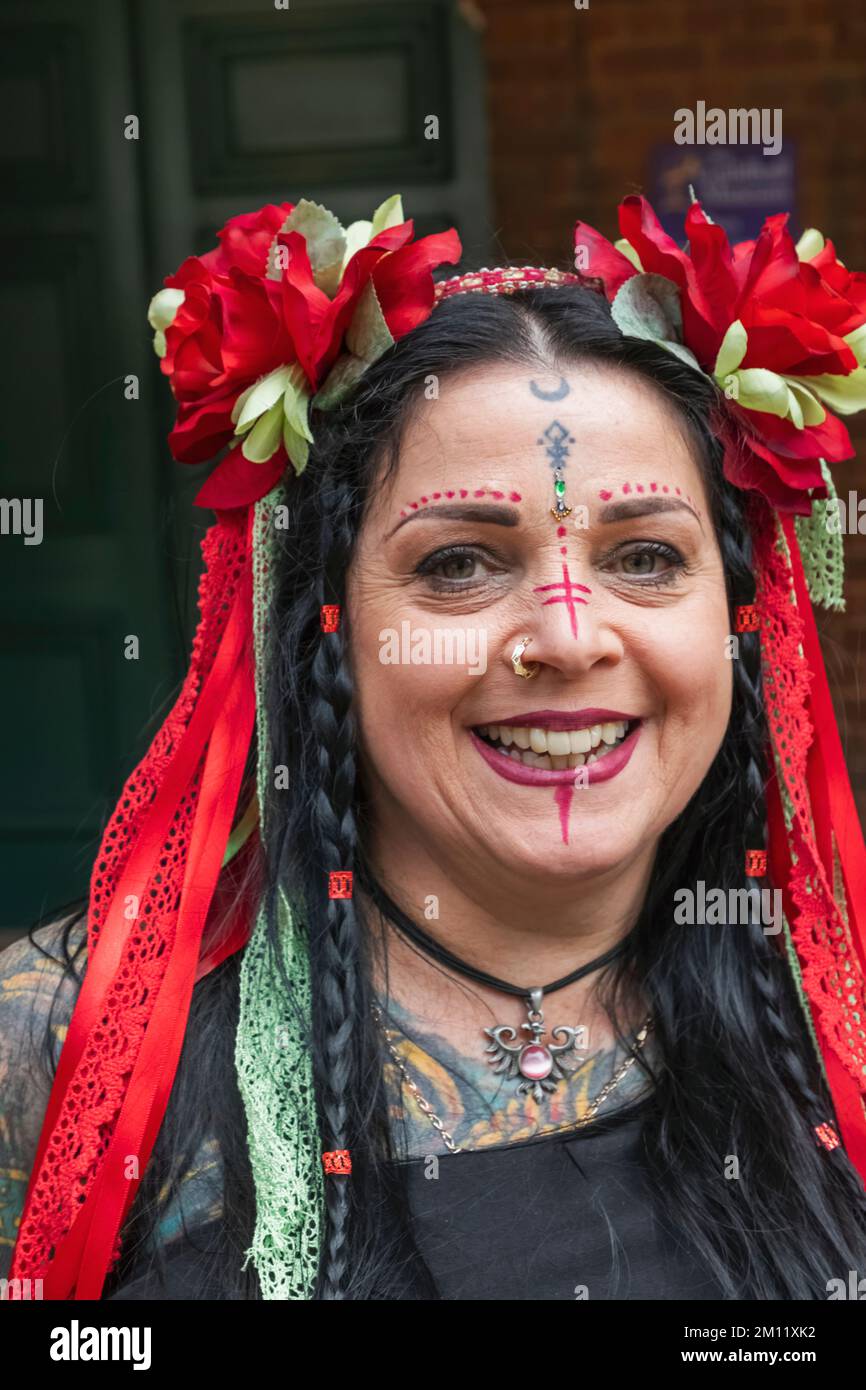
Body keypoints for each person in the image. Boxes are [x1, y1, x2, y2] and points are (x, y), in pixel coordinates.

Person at [3, 194, 866, 1301]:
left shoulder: (834, 1016)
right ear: (325, 625)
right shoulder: (62, 1051)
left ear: (741, 618)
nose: (565, 637)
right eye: (457, 564)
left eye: (645, 557)